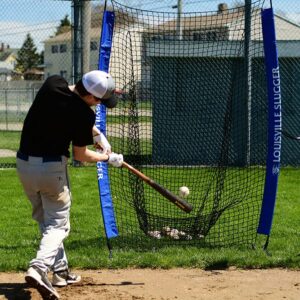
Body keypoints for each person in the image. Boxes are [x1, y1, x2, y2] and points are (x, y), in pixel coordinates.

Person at [16, 70, 123, 300]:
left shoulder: (53, 83)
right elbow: (81, 155)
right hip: (51, 170)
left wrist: (96, 135)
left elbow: (66, 109)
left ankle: (61, 272)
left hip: (24, 165)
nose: (98, 105)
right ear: (92, 98)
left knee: (46, 221)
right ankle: (39, 268)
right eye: (99, 101)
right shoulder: (84, 115)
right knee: (58, 226)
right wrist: (108, 158)